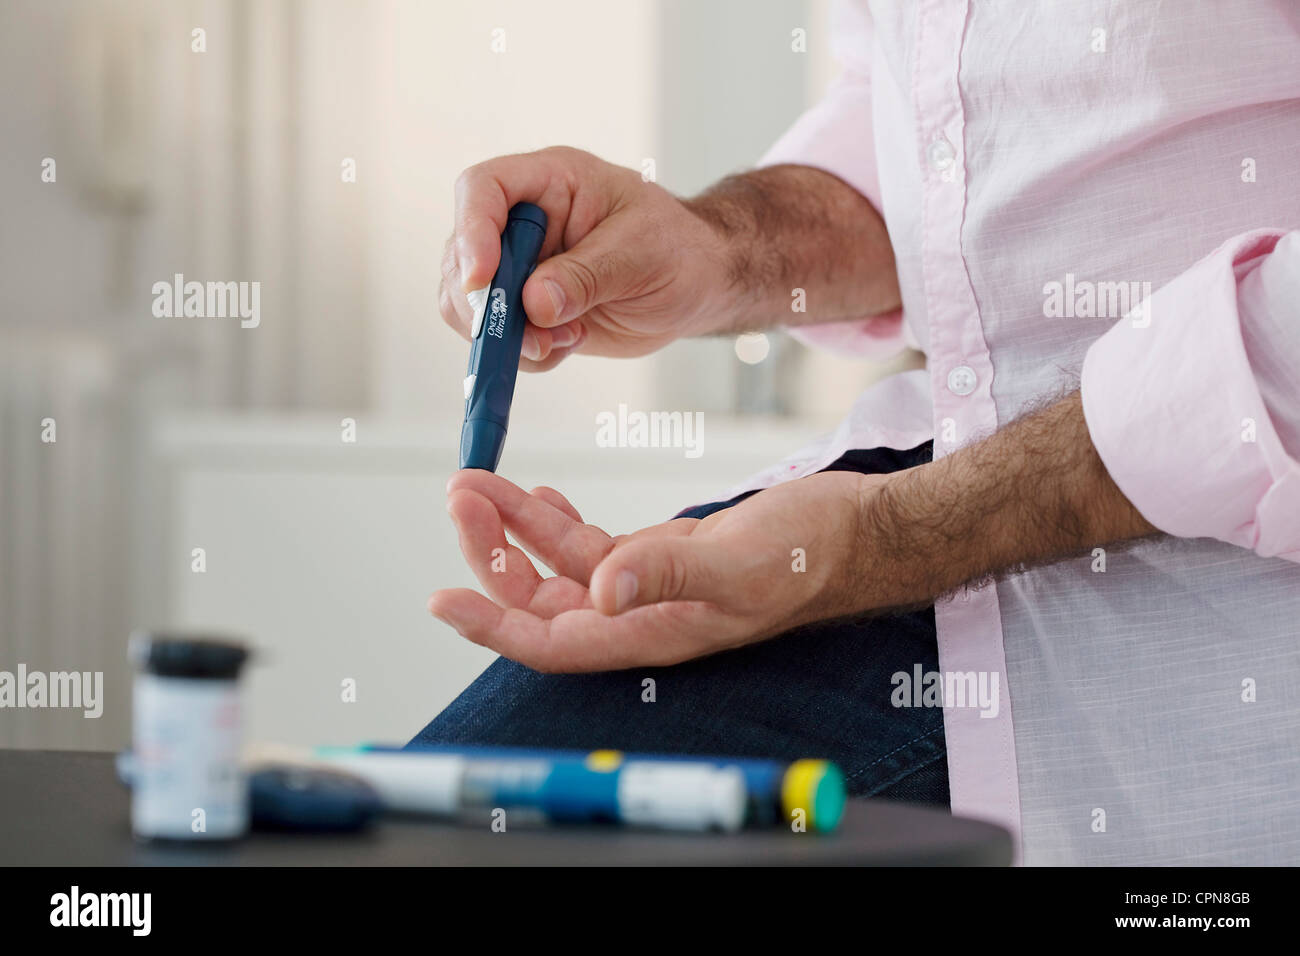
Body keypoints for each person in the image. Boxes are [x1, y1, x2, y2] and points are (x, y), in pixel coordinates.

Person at [419, 0, 1300, 865]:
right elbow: (928, 124)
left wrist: (875, 543)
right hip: (934, 504)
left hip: (1219, 636)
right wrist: (719, 247)